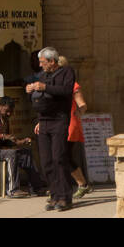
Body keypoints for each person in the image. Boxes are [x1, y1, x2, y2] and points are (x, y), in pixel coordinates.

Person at [26, 47, 76, 211]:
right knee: (46, 161)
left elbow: (67, 90)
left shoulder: (66, 72)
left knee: (59, 158)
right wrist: (31, 89)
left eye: (43, 62)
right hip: (44, 121)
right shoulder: (43, 76)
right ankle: (54, 195)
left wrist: (44, 87)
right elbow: (40, 97)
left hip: (59, 120)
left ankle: (65, 197)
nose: (41, 65)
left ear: (52, 61)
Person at [0, 96, 45, 198]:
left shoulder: (5, 119)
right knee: (12, 154)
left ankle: (36, 188)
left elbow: (5, 142)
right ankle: (12, 190)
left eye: (11, 112)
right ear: (0, 106)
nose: (9, 114)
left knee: (26, 154)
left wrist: (21, 142)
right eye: (7, 111)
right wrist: (2, 136)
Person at [58, 56, 91, 199]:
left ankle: (81, 184)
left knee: (63, 155)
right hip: (58, 123)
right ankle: (78, 185)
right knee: (62, 155)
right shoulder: (56, 84)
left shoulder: (72, 85)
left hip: (70, 124)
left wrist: (77, 113)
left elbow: (83, 105)